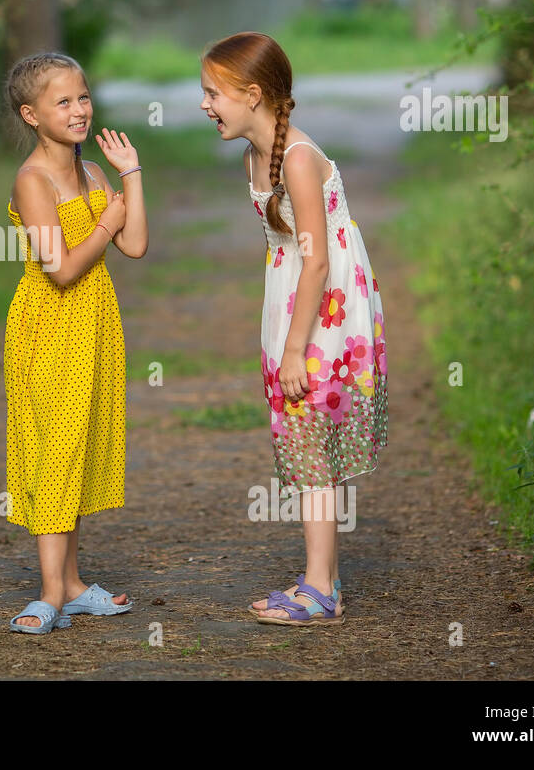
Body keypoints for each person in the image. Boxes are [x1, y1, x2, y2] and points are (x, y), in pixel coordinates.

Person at [200, 32, 388, 625]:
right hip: (294, 308)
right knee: (305, 447)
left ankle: (318, 590)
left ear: (252, 95)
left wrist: (294, 347)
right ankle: (324, 576)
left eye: (213, 93)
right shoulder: (257, 155)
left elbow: (317, 259)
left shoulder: (299, 160)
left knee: (310, 450)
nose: (206, 105)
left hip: (323, 316)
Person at [2, 52, 148, 634]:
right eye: (63, 102)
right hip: (48, 326)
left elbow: (134, 245)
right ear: (31, 114)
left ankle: (73, 583)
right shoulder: (32, 180)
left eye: (83, 97)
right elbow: (58, 269)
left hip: (95, 323)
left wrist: (131, 175)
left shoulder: (92, 173)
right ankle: (48, 595)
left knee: (80, 447)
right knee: (54, 450)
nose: (79, 109)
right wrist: (107, 224)